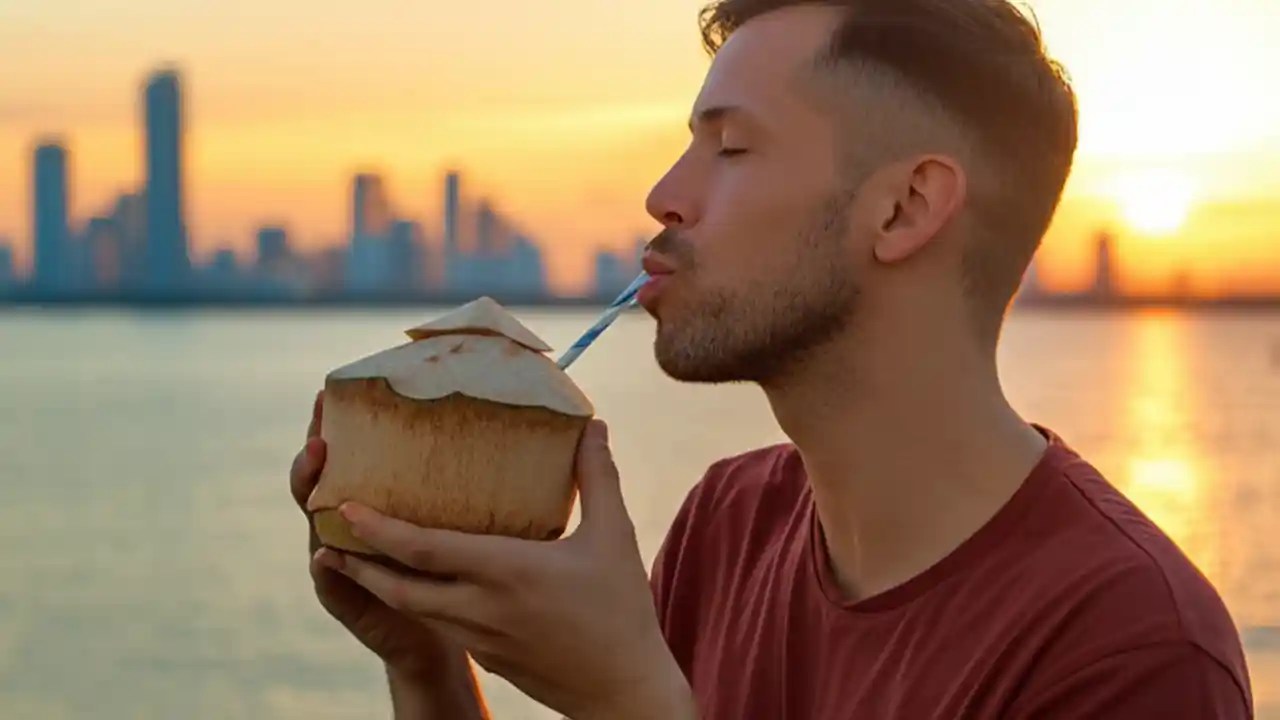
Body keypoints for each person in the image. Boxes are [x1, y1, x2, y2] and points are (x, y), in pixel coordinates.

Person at [288, 0, 1254, 717]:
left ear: (905, 209)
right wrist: (425, 661)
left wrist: (631, 699)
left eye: (732, 150)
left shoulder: (1129, 648)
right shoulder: (730, 525)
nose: (665, 196)